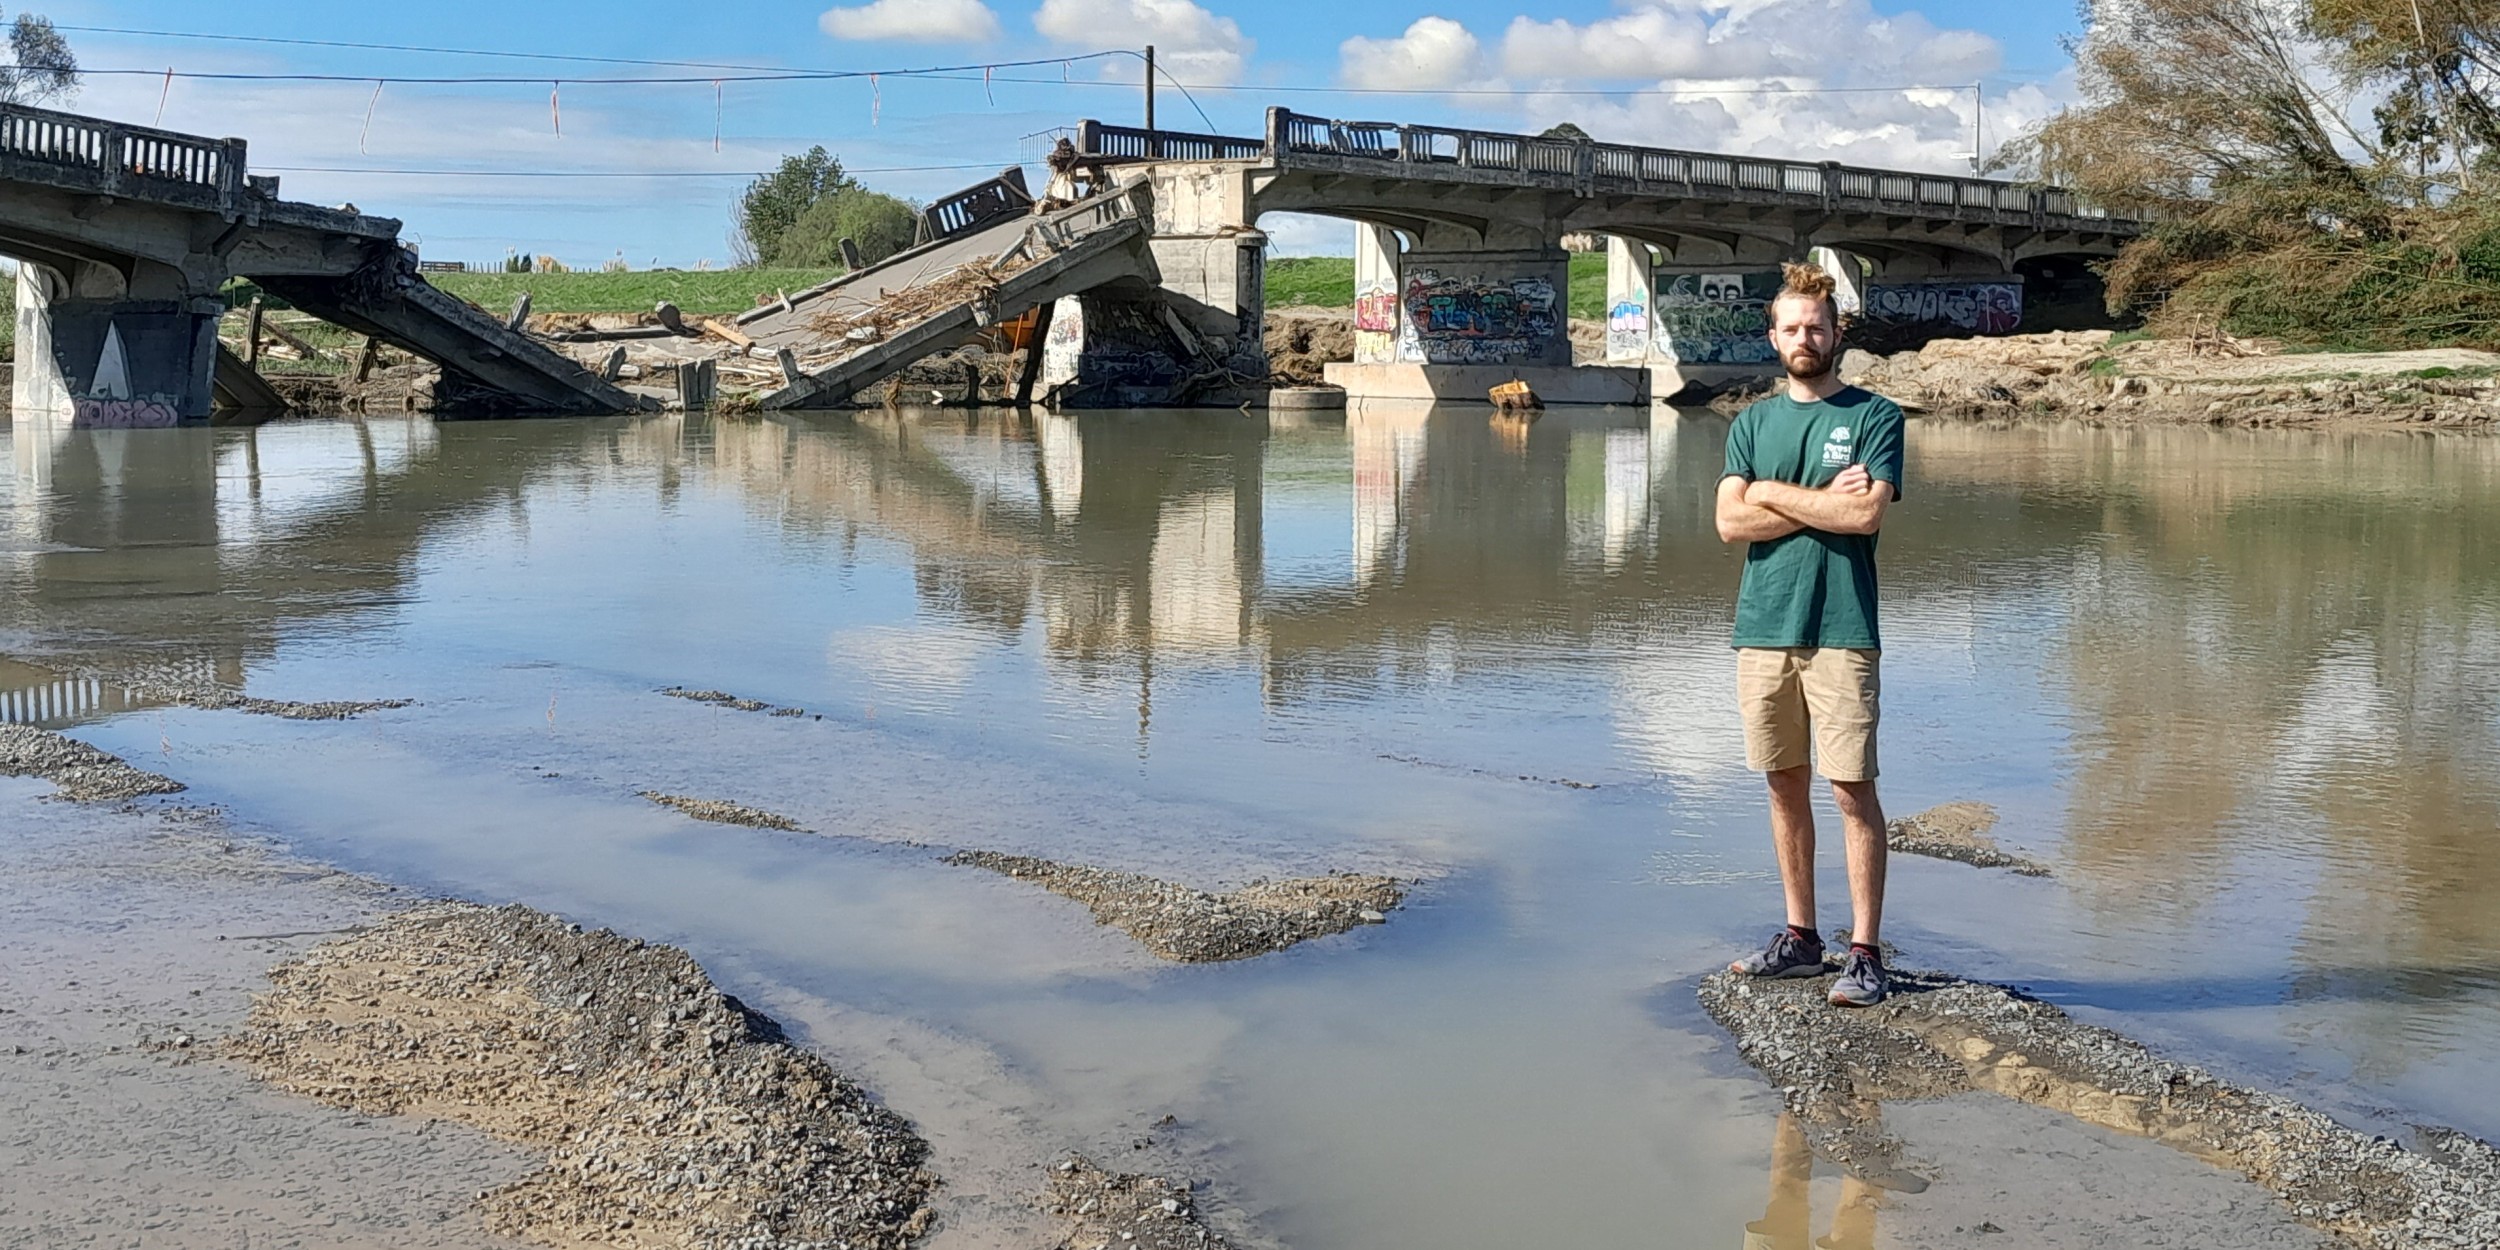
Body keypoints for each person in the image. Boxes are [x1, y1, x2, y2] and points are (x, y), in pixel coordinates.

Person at [1715, 261, 1905, 1008]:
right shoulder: (1752, 422)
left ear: (1837, 332)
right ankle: (1800, 938)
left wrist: (1770, 492)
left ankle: (1864, 952)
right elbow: (1731, 524)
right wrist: (1817, 498)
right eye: (1791, 327)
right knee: (1782, 783)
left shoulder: (1874, 417)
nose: (1805, 337)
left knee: (1852, 789)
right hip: (1762, 630)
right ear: (1774, 336)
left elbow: (1863, 517)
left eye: (1817, 326)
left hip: (1843, 628)